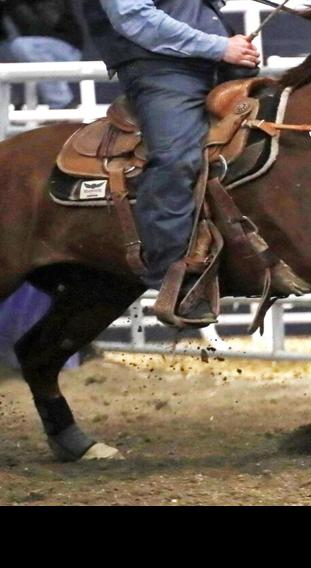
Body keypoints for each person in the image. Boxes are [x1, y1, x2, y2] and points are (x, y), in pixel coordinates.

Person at [83, 0, 260, 326]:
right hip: (162, 70)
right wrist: (219, 46)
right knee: (175, 157)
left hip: (217, 64)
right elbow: (133, 17)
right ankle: (175, 275)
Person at [1, 1, 89, 109]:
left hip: (64, 48)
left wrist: (15, 4)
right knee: (19, 46)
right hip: (22, 47)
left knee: (22, 45)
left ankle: (61, 103)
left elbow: (46, 24)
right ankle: (9, 104)